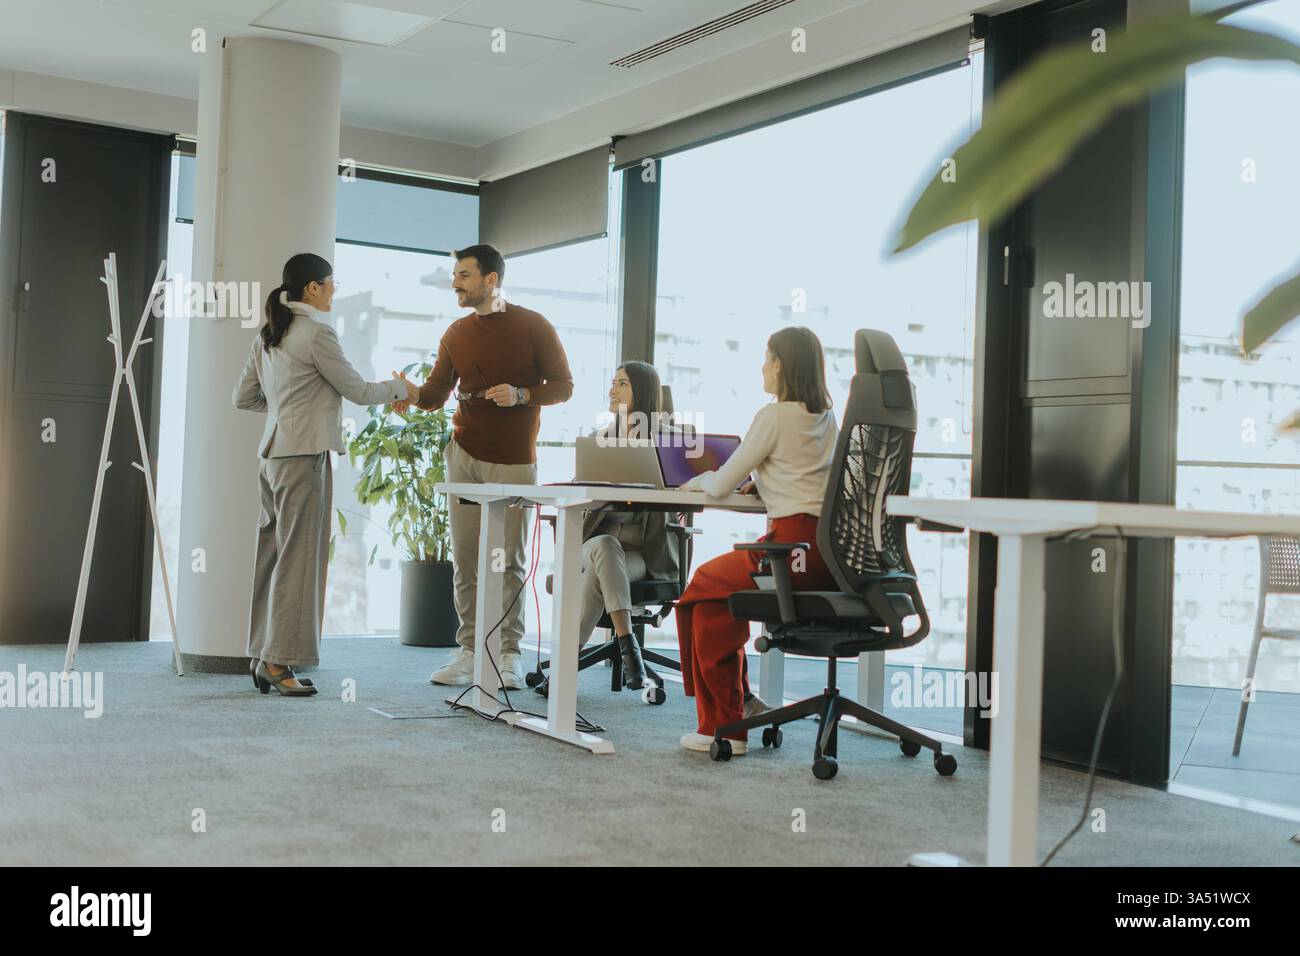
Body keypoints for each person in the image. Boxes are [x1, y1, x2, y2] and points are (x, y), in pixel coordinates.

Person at [234, 252, 418, 697]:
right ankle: (279, 663)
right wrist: (403, 388)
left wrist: (286, 411)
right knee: (299, 561)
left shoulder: (269, 335)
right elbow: (356, 391)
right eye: (331, 282)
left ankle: (263, 656)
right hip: (303, 458)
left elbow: (245, 398)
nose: (335, 289)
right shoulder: (316, 333)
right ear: (313, 288)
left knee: (273, 556)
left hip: (272, 456)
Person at [395, 244, 573, 690]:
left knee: (508, 561)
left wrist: (523, 395)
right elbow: (436, 395)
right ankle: (472, 650)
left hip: (513, 461)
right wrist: (411, 395)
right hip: (465, 456)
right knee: (468, 560)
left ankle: (507, 653)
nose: (455, 283)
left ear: (491, 279)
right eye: (455, 276)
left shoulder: (534, 326)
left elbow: (564, 386)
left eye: (464, 276)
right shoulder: (456, 333)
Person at [675, 327, 839, 754]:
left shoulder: (773, 415)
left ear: (780, 364)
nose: (762, 368)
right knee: (720, 596)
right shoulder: (826, 417)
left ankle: (722, 728)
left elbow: (721, 482)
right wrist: (765, 484)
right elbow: (807, 477)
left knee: (701, 590)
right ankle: (741, 706)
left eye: (766, 358)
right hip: (830, 555)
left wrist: (695, 482)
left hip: (791, 553)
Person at [535, 362, 679, 696]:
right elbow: (580, 490)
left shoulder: (664, 442)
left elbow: (678, 493)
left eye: (622, 384)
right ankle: (629, 648)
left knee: (595, 577)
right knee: (603, 547)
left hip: (640, 555)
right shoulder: (601, 440)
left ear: (640, 392)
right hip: (592, 545)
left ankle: (562, 673)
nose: (612, 390)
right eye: (613, 383)